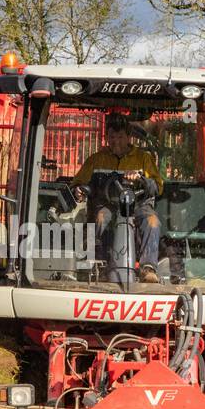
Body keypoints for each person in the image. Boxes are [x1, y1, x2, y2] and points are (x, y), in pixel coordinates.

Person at [72, 114, 163, 283]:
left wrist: (141, 179)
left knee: (152, 221)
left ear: (129, 138)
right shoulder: (96, 159)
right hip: (108, 205)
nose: (116, 141)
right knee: (100, 218)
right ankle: (102, 266)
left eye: (120, 137)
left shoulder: (143, 159)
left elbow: (157, 187)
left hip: (138, 205)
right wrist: (78, 190)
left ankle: (148, 268)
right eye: (112, 137)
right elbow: (77, 183)